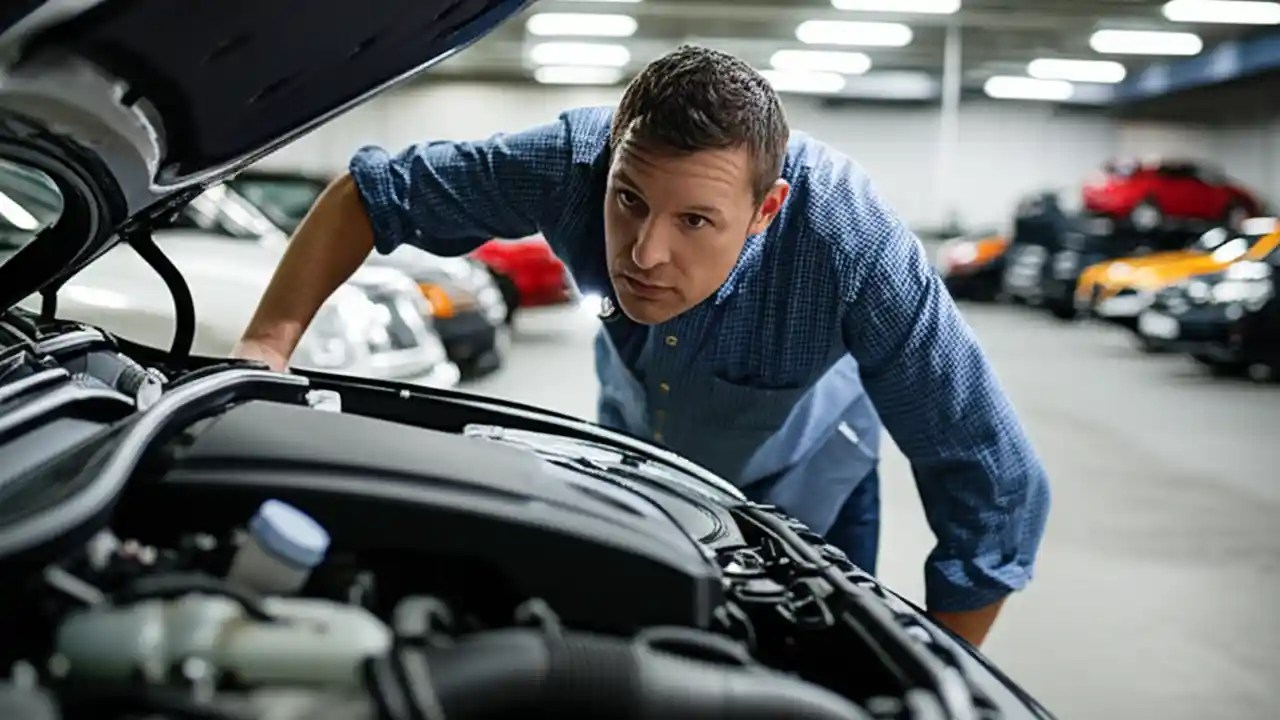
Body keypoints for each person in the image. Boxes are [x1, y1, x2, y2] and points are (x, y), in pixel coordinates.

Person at [233, 45, 1050, 647]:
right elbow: (374, 195)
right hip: (639, 445)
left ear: (766, 210)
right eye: (630, 202)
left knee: (809, 656)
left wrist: (945, 668)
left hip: (813, 478)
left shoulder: (850, 244)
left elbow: (996, 484)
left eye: (695, 220)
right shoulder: (572, 161)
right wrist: (267, 346)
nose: (644, 253)